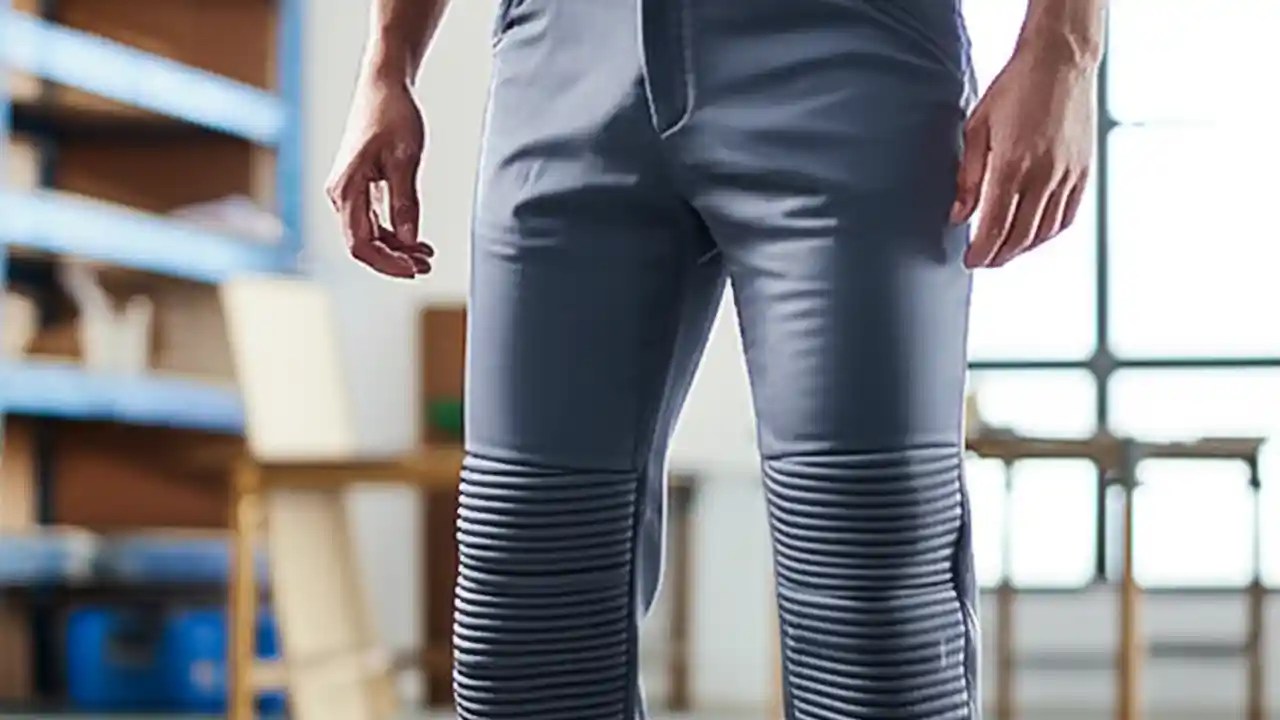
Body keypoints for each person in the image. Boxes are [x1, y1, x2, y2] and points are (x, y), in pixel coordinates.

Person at [326, 0, 1104, 717]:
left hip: (846, 53)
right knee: (524, 638)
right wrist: (387, 59)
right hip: (561, 59)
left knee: (873, 633)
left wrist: (1065, 46)